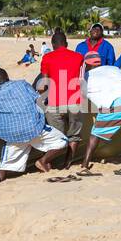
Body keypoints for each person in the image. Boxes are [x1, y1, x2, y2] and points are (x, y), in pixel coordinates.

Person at [0, 68, 67, 178]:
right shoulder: (22, 84)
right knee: (62, 142)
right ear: (7, 77)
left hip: (13, 136)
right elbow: (38, 99)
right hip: (34, 129)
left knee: (5, 166)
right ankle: (43, 161)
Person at [36, 30, 86, 168]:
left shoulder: (47, 57)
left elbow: (43, 85)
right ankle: (67, 164)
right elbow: (82, 80)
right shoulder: (78, 57)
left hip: (55, 103)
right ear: (66, 43)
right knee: (74, 136)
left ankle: (46, 162)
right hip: (75, 102)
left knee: (57, 138)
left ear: (52, 45)